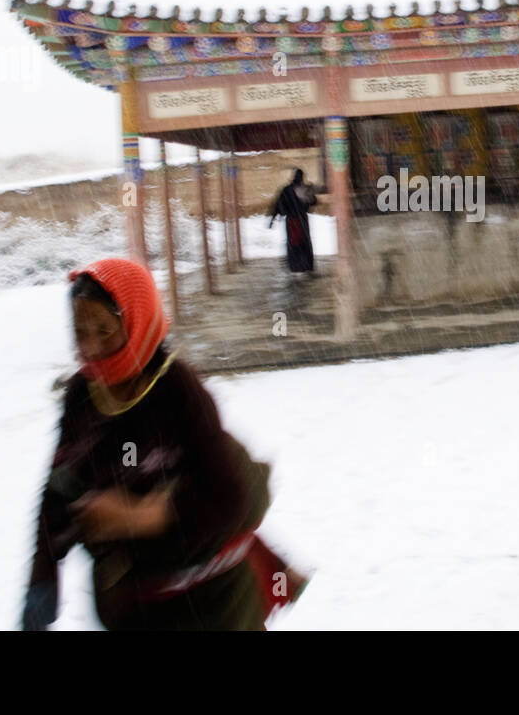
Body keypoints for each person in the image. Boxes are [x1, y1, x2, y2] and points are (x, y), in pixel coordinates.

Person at [21, 257, 306, 630]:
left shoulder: (178, 393)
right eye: (79, 331)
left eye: (104, 331)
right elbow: (58, 491)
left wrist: (143, 516)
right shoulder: (81, 397)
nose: (90, 347)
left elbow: (231, 500)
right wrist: (42, 579)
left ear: (137, 323)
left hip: (215, 606)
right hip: (133, 608)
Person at [269, 169, 318, 273]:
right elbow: (313, 202)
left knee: (294, 244)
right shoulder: (303, 189)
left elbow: (278, 205)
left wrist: (272, 219)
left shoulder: (287, 190)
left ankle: (295, 266)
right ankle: (305, 266)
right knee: (303, 244)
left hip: (292, 221)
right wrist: (310, 193)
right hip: (302, 221)